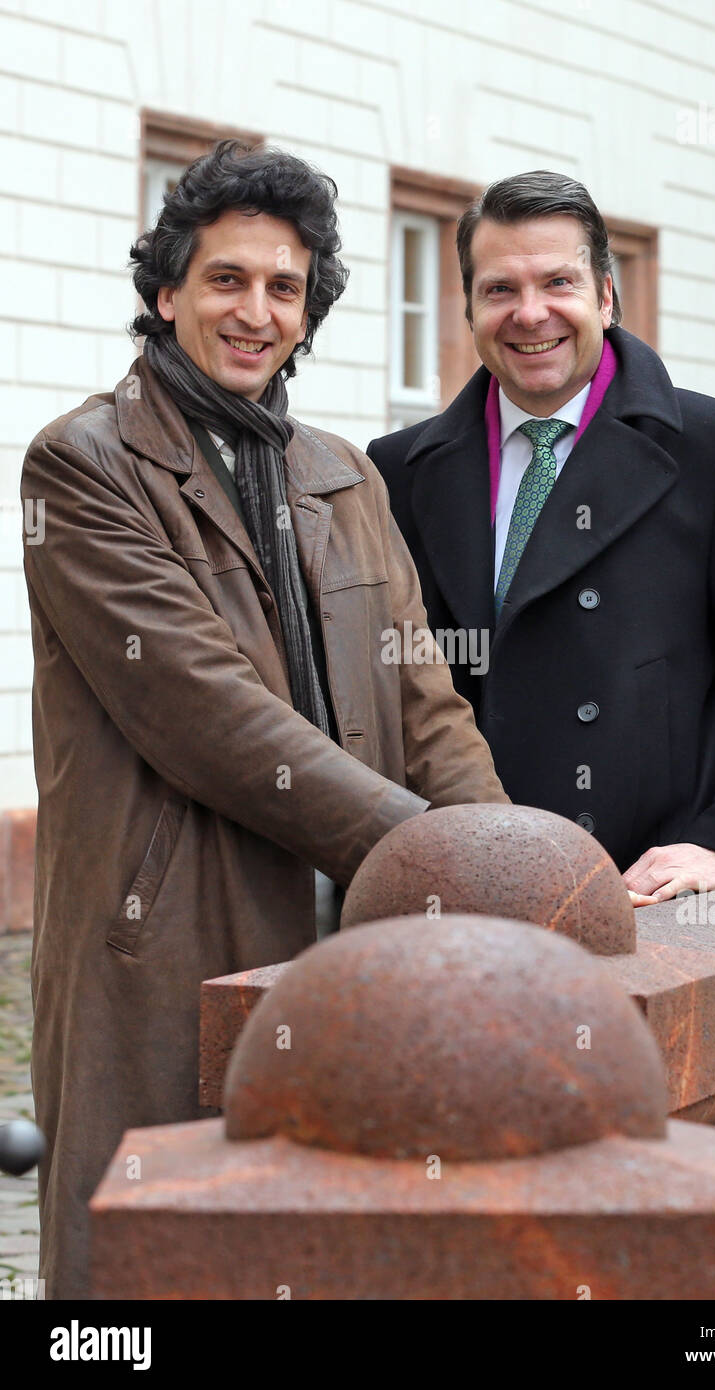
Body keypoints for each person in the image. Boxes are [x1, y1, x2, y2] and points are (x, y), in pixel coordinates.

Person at [20, 141, 507, 1299]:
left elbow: (421, 696)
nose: (255, 311)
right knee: (149, 1263)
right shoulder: (83, 464)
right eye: (226, 279)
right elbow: (202, 708)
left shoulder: (340, 471)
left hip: (350, 932)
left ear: (309, 312)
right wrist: (419, 848)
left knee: (323, 1247)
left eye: (283, 288)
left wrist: (502, 858)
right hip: (170, 929)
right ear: (166, 293)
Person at [368, 170, 715, 907]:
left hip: (637, 905)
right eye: (500, 289)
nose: (530, 314)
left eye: (557, 283)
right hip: (458, 896)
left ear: (604, 294)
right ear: (468, 307)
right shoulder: (399, 469)